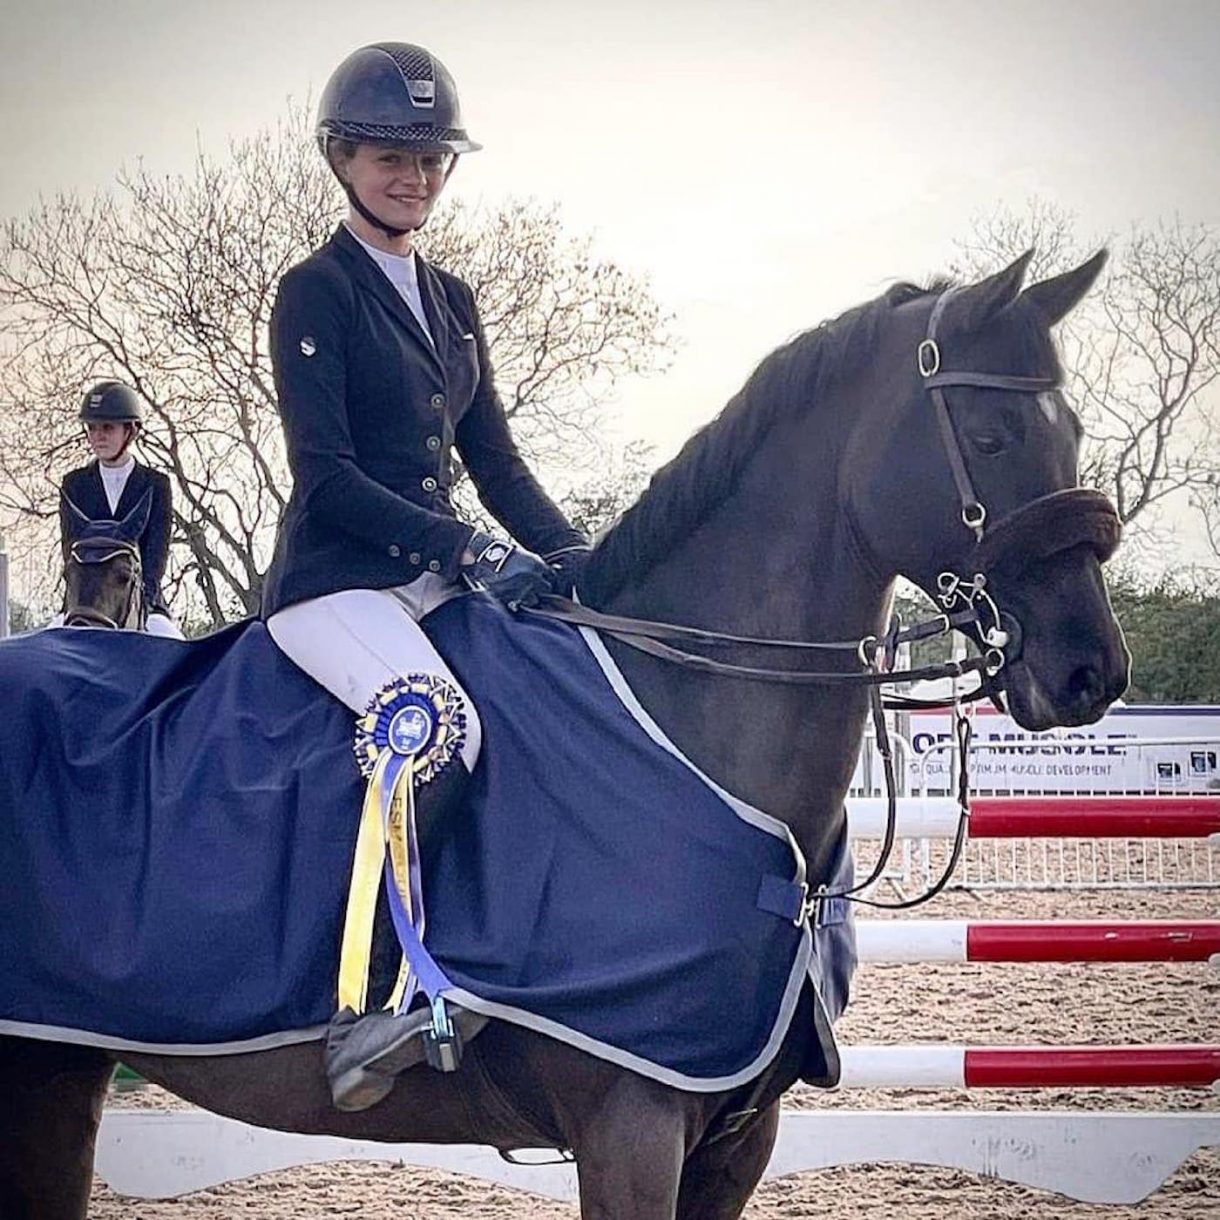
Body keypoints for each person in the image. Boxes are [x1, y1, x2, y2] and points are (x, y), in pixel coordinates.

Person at [260, 41, 590, 1110]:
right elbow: (330, 478)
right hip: (336, 582)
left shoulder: (449, 297)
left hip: (433, 580)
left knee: (550, 696)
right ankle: (362, 1009)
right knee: (436, 722)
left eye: (432, 156)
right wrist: (465, 549)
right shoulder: (311, 291)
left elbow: (493, 460)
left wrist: (579, 556)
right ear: (342, 158)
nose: (414, 175)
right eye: (391, 154)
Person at [58, 380, 182, 638]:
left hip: (140, 602)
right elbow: (71, 551)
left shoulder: (156, 484)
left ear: (130, 430)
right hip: (81, 606)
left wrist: (143, 604)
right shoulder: (75, 484)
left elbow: (156, 554)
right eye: (92, 428)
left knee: (178, 652)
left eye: (107, 428)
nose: (98, 436)